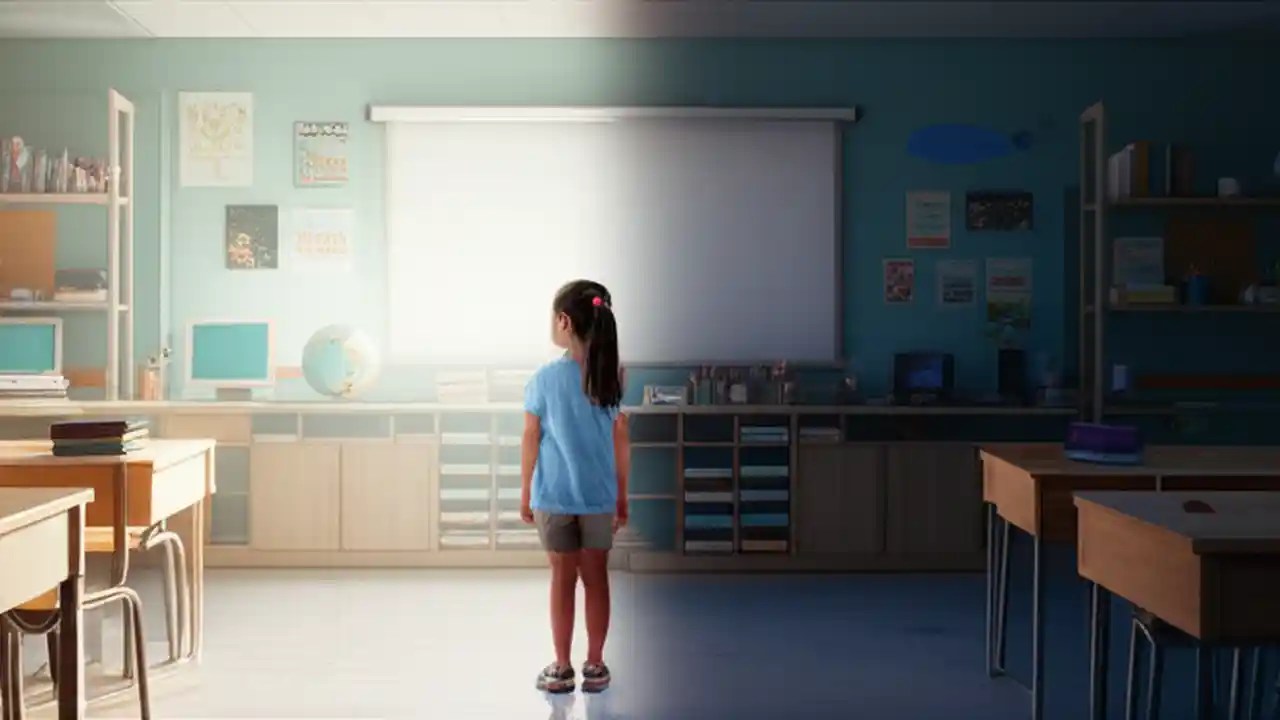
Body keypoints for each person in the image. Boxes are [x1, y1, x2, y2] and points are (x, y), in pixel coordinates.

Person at [521, 279, 630, 695]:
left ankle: (562, 667)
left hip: (553, 495)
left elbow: (531, 438)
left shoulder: (543, 379)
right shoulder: (613, 376)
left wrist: (524, 491)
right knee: (597, 578)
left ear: (564, 321)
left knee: (562, 578)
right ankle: (596, 665)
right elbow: (621, 439)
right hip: (599, 498)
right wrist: (621, 496)